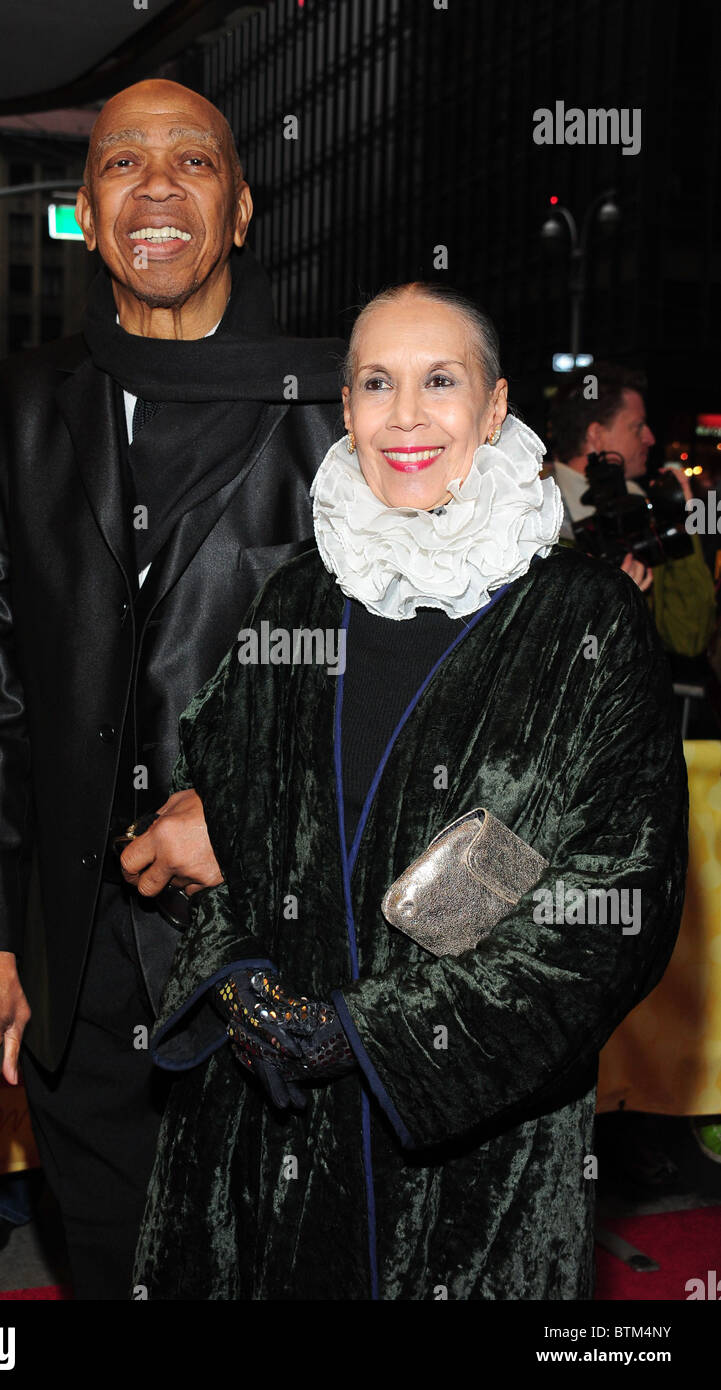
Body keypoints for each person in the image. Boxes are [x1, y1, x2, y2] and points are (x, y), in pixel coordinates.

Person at [133, 284, 688, 1300]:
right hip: (274, 1130)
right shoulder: (296, 597)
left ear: (492, 407)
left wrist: (374, 1031)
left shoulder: (584, 621)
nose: (403, 415)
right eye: (376, 383)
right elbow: (223, 817)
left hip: (479, 1162)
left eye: (439, 381)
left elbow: (615, 902)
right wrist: (241, 977)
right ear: (343, 408)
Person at [0, 78, 343, 1299]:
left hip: (282, 949)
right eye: (121, 165)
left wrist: (251, 803)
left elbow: (412, 683)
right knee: (112, 1265)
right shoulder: (13, 411)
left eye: (193, 163)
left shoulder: (338, 407)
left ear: (242, 208)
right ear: (88, 210)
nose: (155, 187)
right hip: (80, 969)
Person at [549, 365, 716, 661]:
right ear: (597, 436)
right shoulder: (525, 508)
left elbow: (689, 635)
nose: (650, 438)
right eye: (637, 427)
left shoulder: (643, 510)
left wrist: (679, 527)